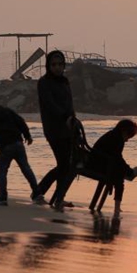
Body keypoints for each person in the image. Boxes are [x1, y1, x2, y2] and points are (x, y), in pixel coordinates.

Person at [0, 98, 46, 206]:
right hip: (18, 143)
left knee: (2, 171)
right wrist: (27, 135)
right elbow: (20, 121)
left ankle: (3, 197)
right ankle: (37, 193)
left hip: (5, 147)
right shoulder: (6, 111)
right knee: (26, 169)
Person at [35, 50, 77, 210]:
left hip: (68, 128)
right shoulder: (44, 82)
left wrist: (73, 119)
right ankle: (45, 193)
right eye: (54, 65)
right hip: (53, 129)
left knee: (66, 165)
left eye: (60, 64)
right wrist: (65, 116)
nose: (57, 67)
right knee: (64, 164)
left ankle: (56, 196)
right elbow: (49, 104)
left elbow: (70, 103)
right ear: (48, 66)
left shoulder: (65, 81)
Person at [90, 119, 137, 219]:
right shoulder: (117, 139)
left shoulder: (112, 135)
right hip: (99, 165)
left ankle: (128, 173)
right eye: (129, 136)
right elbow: (117, 157)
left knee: (119, 170)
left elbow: (115, 157)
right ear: (124, 131)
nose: (127, 140)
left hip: (96, 162)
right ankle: (117, 207)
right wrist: (126, 169)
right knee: (119, 177)